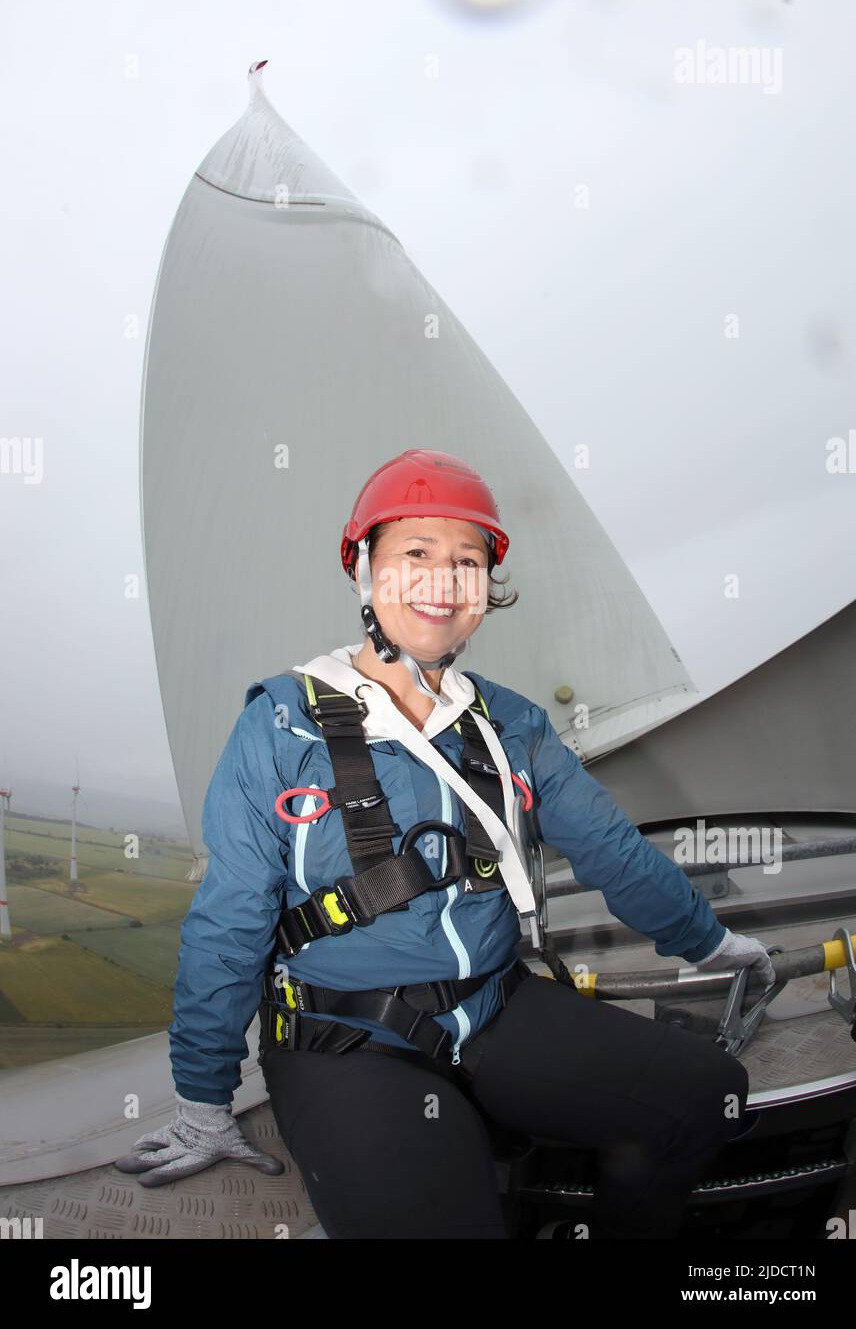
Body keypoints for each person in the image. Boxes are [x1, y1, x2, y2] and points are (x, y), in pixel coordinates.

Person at [116, 447, 773, 1239]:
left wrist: (711, 943)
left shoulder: (509, 724)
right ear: (365, 570)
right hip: (344, 1039)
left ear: (483, 595)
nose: (443, 580)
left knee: (707, 1099)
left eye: (466, 561)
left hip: (497, 1008)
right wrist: (201, 1098)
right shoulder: (279, 725)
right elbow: (230, 920)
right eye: (415, 554)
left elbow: (611, 850)